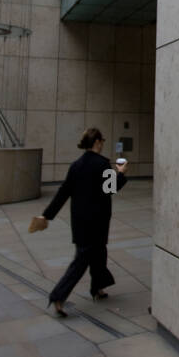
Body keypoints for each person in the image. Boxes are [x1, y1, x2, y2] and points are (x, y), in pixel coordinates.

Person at [36, 127, 119, 316]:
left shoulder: (76, 165)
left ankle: (98, 288)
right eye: (102, 141)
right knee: (82, 260)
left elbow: (63, 193)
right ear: (97, 142)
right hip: (97, 221)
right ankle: (58, 296)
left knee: (99, 253)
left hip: (80, 222)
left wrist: (46, 215)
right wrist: (121, 173)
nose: (103, 144)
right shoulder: (103, 164)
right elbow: (111, 189)